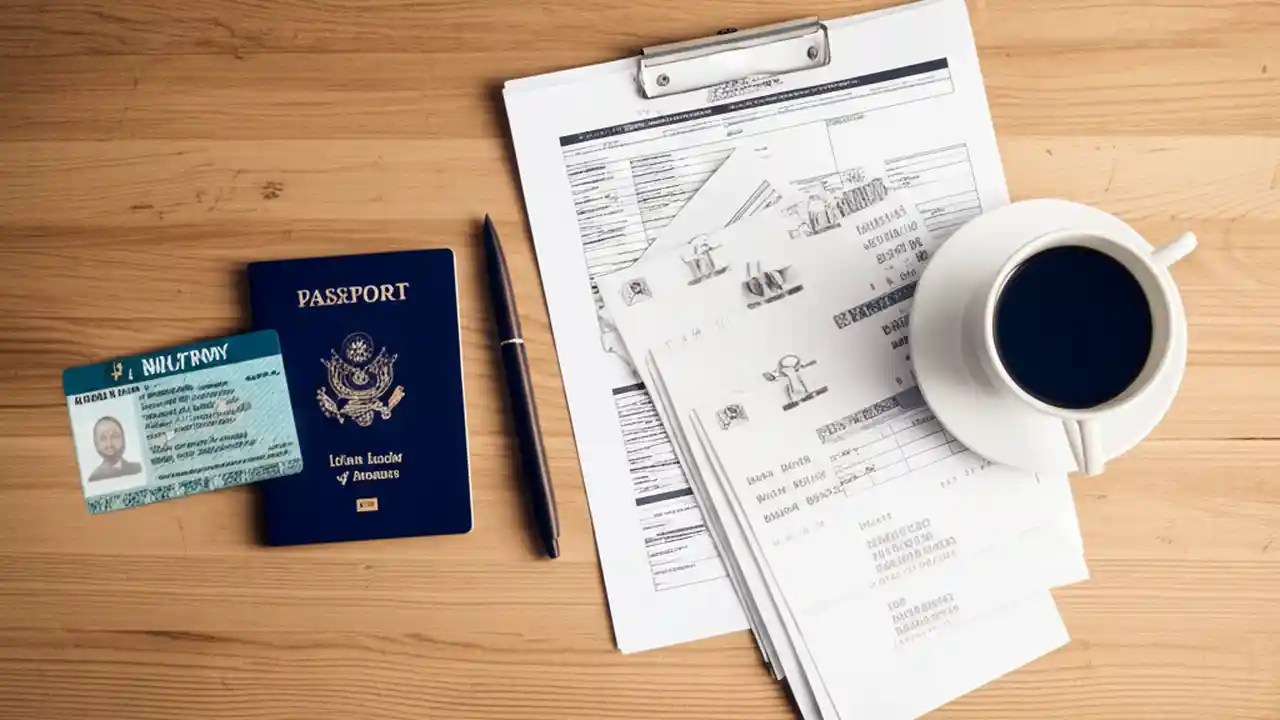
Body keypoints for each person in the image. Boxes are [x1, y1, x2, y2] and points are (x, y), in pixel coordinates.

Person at [87, 416, 142, 482]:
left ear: (123, 439)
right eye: (103, 438)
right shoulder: (94, 478)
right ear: (96, 443)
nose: (109, 444)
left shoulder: (137, 469)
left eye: (114, 436)